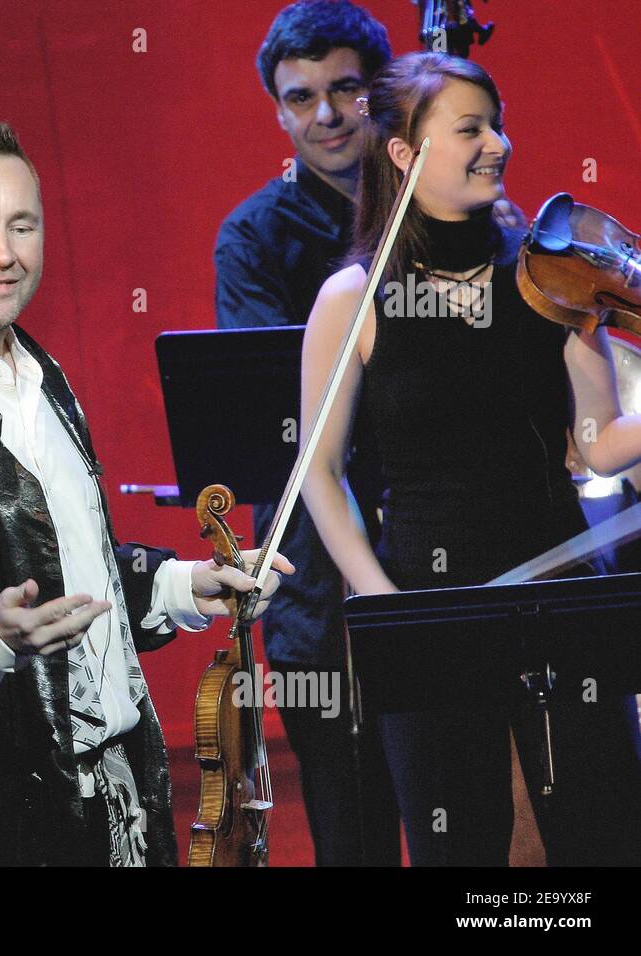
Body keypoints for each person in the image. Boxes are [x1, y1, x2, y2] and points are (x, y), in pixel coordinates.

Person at [0, 111, 291, 866]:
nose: (2, 254)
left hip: (114, 804)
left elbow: (75, 565)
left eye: (22, 226)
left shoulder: (45, 378)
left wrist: (180, 584)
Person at [301, 51, 641, 865]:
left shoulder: (546, 277)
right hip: (429, 603)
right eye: (471, 128)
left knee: (604, 835)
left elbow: (598, 445)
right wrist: (381, 600)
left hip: (558, 594)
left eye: (498, 123)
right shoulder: (354, 296)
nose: (499, 143)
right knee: (461, 844)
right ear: (403, 153)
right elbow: (318, 469)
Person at [213, 0, 400, 866]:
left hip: (440, 535)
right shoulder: (253, 236)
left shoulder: (443, 209)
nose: (323, 116)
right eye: (299, 98)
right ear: (277, 109)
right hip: (316, 581)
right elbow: (286, 423)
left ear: (382, 90)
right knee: (347, 813)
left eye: (345, 90)